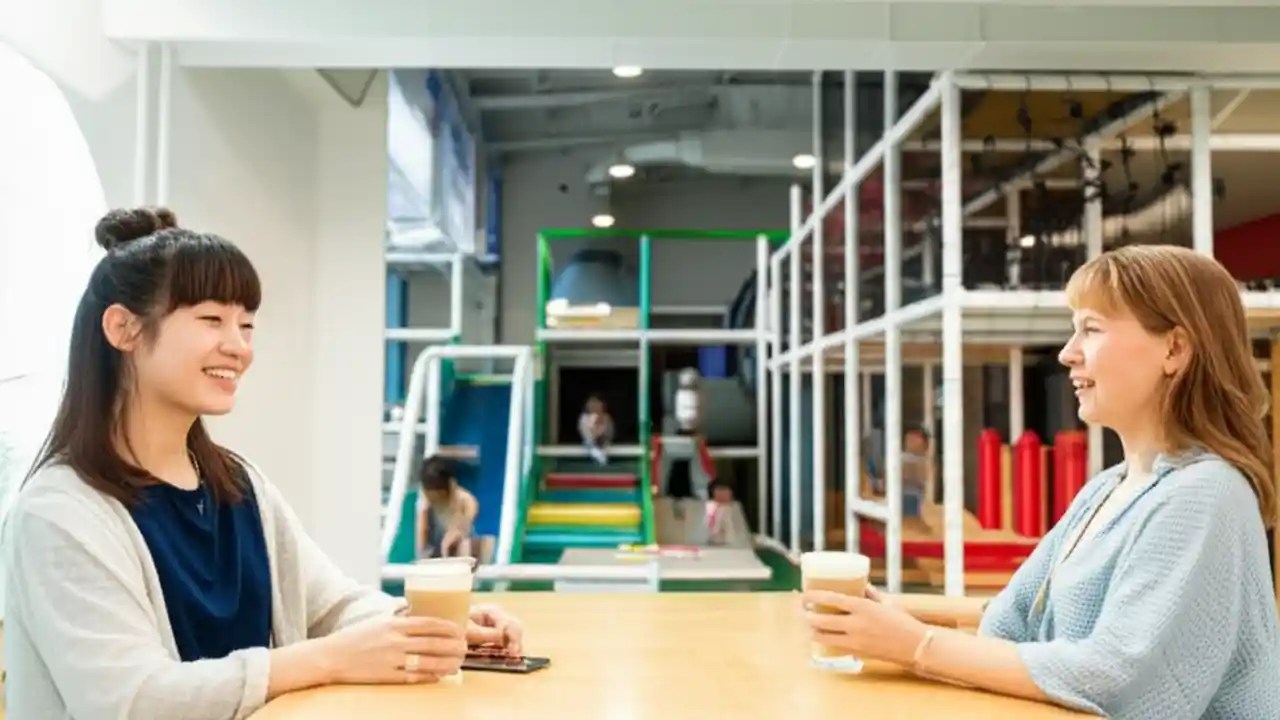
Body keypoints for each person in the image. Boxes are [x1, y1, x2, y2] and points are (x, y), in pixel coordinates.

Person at [2, 208, 524, 720]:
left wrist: (428, 627)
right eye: (212, 319)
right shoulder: (59, 512)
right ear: (123, 328)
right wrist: (325, 660)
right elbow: (132, 700)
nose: (239, 347)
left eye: (246, 325)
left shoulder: (239, 484)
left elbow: (330, 608)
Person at [803, 245, 1280, 719]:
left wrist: (917, 644)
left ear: (1174, 348)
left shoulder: (1206, 494)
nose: (1067, 353)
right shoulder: (1107, 489)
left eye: (1091, 329)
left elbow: (1118, 683)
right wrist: (889, 615)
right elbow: (1012, 618)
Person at [416, 455, 478, 559]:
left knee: (464, 545)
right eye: (429, 495)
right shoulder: (425, 503)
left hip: (460, 547)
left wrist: (453, 536)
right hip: (435, 547)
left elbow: (461, 530)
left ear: (451, 485)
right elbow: (421, 535)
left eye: (438, 496)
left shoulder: (466, 501)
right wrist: (421, 554)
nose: (434, 499)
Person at [578, 393, 615, 466]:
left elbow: (610, 433)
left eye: (597, 404)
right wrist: (594, 432)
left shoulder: (606, 417)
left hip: (604, 442)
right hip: (590, 443)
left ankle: (601, 458)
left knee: (605, 446)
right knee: (590, 445)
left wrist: (602, 433)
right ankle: (599, 458)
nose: (595, 406)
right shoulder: (584, 418)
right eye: (593, 404)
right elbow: (586, 434)